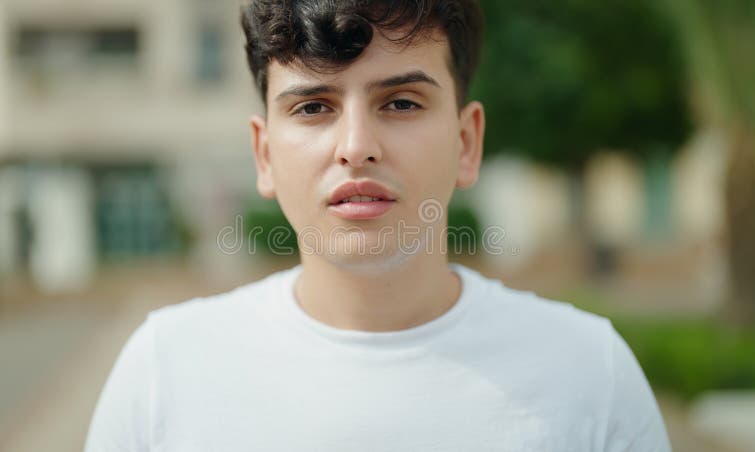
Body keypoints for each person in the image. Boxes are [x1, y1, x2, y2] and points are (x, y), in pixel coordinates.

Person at [85, 1, 672, 450]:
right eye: (313, 107)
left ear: (467, 142)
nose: (356, 147)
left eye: (401, 103)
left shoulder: (589, 372)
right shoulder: (165, 370)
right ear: (264, 155)